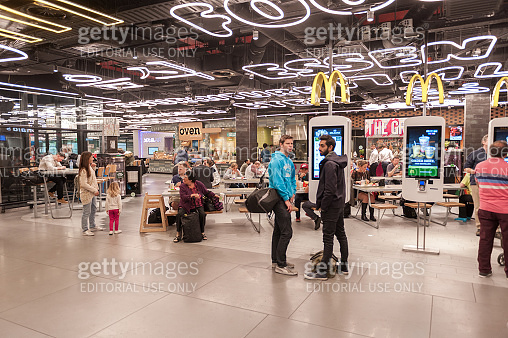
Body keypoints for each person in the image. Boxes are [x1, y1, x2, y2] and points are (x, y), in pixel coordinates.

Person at [305, 134, 348, 281]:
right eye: (319, 145)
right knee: (341, 234)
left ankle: (323, 272)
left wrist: (323, 206)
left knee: (328, 238)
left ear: (330, 147)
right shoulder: (337, 162)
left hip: (331, 206)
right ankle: (344, 266)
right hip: (339, 204)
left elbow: (329, 189)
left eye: (322, 146)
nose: (319, 148)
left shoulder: (329, 164)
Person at [474, 140, 508, 279]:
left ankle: (484, 269)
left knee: (485, 239)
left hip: (485, 208)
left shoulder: (480, 166)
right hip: (505, 210)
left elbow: (478, 183)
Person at [268, 135, 297, 276]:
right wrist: (286, 198)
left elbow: (292, 179)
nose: (290, 146)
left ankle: (276, 260)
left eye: (291, 143)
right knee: (287, 232)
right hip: (278, 199)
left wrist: (292, 193)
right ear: (281, 144)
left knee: (279, 231)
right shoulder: (275, 161)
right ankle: (281, 264)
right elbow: (277, 181)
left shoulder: (289, 161)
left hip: (286, 198)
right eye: (287, 143)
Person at [173, 170, 211, 243]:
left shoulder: (198, 184)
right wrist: (192, 195)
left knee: (202, 214)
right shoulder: (183, 186)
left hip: (197, 204)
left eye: (185, 177)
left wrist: (214, 195)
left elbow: (206, 192)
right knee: (179, 215)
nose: (183, 179)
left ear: (190, 180)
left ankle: (202, 232)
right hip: (185, 205)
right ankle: (178, 234)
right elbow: (183, 197)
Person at [464, 134, 489, 236]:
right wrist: (475, 171)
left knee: (492, 207)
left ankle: (495, 229)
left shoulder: (496, 154)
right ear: (483, 142)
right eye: (489, 139)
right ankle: (479, 227)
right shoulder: (475, 153)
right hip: (476, 183)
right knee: (478, 206)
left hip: (491, 183)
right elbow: (466, 168)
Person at [78, 151, 103, 236]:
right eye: (91, 157)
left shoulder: (88, 168)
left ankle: (92, 225)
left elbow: (92, 178)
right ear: (87, 159)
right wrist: (94, 190)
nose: (93, 158)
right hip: (87, 194)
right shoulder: (83, 170)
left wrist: (93, 169)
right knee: (86, 212)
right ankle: (85, 229)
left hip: (92, 193)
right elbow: (83, 184)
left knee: (93, 209)